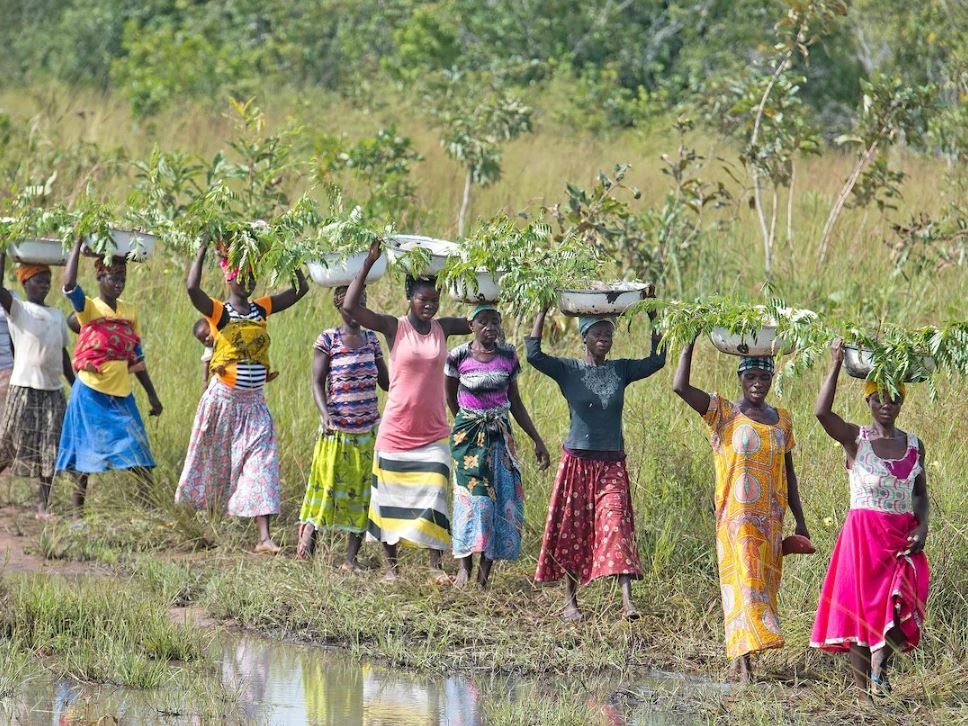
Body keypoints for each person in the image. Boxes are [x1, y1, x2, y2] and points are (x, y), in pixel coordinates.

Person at [673, 342, 809, 682]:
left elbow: (788, 473)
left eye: (764, 376)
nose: (758, 383)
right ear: (740, 377)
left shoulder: (782, 421)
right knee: (743, 584)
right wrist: (688, 346)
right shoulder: (724, 413)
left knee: (761, 586)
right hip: (736, 519)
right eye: (751, 375)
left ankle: (740, 656)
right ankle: (745, 662)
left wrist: (801, 520)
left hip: (771, 522)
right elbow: (680, 387)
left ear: (772, 377)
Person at [342, 239, 471, 582]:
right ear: (409, 298)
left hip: (433, 432)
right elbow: (352, 308)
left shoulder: (443, 328)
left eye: (434, 300)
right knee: (389, 500)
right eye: (422, 299)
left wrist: (474, 272)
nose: (429, 305)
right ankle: (391, 568)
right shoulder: (393, 327)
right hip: (397, 430)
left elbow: (479, 318)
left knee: (435, 495)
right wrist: (368, 262)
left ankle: (434, 567)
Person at [528, 305, 666, 621]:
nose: (604, 339)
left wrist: (652, 312)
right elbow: (534, 355)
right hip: (577, 462)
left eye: (608, 334)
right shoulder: (568, 370)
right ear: (584, 337)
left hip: (611, 464)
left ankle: (628, 602)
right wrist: (543, 310)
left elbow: (657, 360)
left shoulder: (620, 370)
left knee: (616, 523)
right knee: (572, 531)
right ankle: (570, 603)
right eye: (597, 333)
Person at [810, 338, 929, 697]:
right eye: (879, 398)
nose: (886, 405)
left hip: (900, 536)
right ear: (869, 400)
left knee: (904, 599)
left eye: (893, 398)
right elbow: (821, 414)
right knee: (861, 613)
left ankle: (881, 664)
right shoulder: (856, 439)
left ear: (901, 402)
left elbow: (921, 493)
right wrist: (833, 364)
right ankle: (862, 695)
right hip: (863, 538)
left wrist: (923, 525)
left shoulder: (914, 445)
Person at [175, 240, 308, 553]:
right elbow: (192, 289)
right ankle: (204, 526)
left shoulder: (262, 308)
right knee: (214, 464)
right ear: (227, 277)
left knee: (262, 463)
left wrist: (291, 255)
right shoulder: (220, 312)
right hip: (222, 403)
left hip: (254, 405)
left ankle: (264, 538)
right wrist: (204, 248)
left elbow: (300, 290)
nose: (246, 281)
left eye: (251, 275)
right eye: (239, 274)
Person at [56, 238, 163, 519]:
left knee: (138, 450)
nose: (118, 283)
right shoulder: (88, 308)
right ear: (100, 277)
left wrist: (152, 395)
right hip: (90, 390)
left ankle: (149, 510)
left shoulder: (129, 311)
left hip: (121, 391)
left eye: (122, 278)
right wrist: (77, 246)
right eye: (113, 278)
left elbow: (136, 357)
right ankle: (78, 516)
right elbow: (69, 286)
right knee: (83, 454)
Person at [445, 304, 550, 588]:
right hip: (469, 440)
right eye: (483, 322)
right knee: (472, 501)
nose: (490, 327)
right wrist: (468, 426)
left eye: (495, 322)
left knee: (499, 502)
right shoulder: (458, 356)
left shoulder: (508, 356)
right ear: (471, 325)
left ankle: (483, 576)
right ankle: (464, 566)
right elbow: (451, 397)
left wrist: (536, 439)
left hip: (501, 439)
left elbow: (515, 401)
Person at [296, 285, 389, 568]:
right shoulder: (329, 339)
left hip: (367, 431)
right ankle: (307, 546)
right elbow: (316, 382)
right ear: (340, 304)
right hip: (337, 430)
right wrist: (324, 414)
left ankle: (351, 559)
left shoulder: (372, 340)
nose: (360, 307)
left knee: (362, 494)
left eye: (363, 301)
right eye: (354, 302)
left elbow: (386, 383)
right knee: (326, 488)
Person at [0, 254, 74, 519]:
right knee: (8, 443)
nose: (44, 285)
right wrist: (2, 248)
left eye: (47, 280)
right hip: (24, 389)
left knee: (49, 450)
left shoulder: (56, 314)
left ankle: (43, 507)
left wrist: (74, 385)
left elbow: (64, 355)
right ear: (25, 283)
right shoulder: (19, 310)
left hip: (53, 391)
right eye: (39, 280)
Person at [193, 317, 215, 388]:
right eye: (203, 341)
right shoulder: (209, 349)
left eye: (208, 334)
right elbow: (206, 364)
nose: (207, 339)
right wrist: (205, 380)